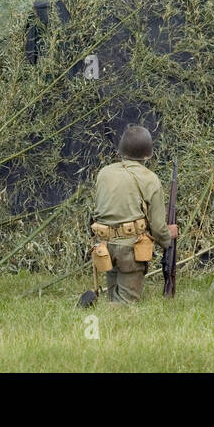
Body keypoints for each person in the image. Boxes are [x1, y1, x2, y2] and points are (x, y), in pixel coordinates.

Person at [84, 125, 178, 304]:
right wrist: (168, 236)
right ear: (147, 154)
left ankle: (105, 307)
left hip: (104, 246)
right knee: (126, 304)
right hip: (130, 248)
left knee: (113, 295)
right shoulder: (150, 179)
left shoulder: (104, 173)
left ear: (121, 150)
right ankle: (95, 312)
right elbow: (158, 228)